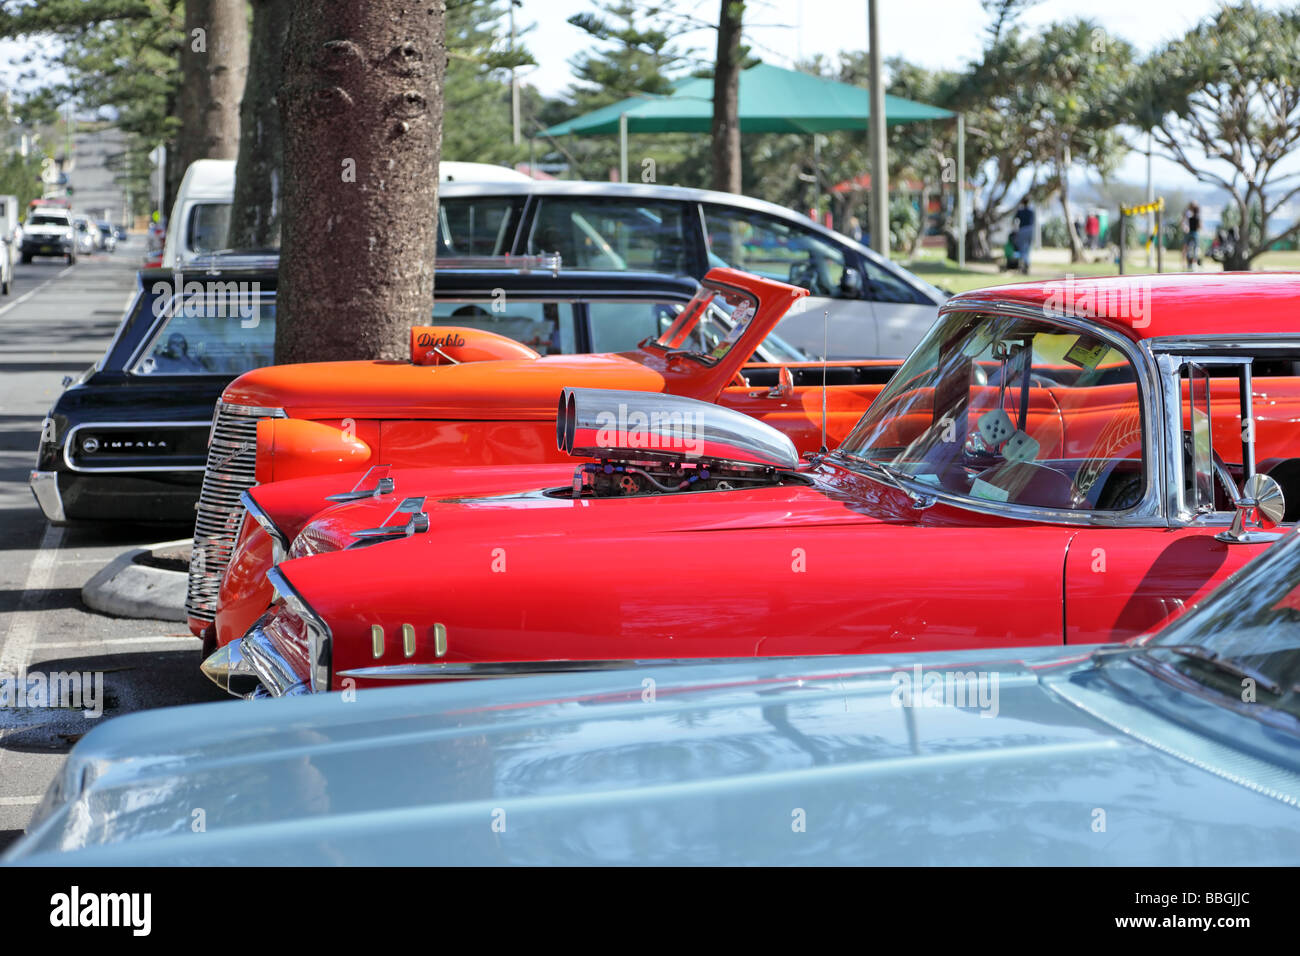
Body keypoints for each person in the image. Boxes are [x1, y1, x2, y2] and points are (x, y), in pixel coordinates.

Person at [1013, 198, 1035, 274]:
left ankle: (1024, 265)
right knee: (1027, 249)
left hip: (1022, 230)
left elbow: (1015, 220)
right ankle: (1026, 264)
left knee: (1022, 248)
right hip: (1030, 230)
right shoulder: (1031, 211)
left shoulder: (1020, 211)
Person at [1183, 202, 1201, 270]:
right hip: (1195, 234)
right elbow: (1199, 226)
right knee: (1195, 248)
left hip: (1189, 233)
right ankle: (1194, 263)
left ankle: (1188, 263)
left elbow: (1186, 224)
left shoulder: (1190, 217)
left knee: (1188, 248)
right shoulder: (1197, 217)